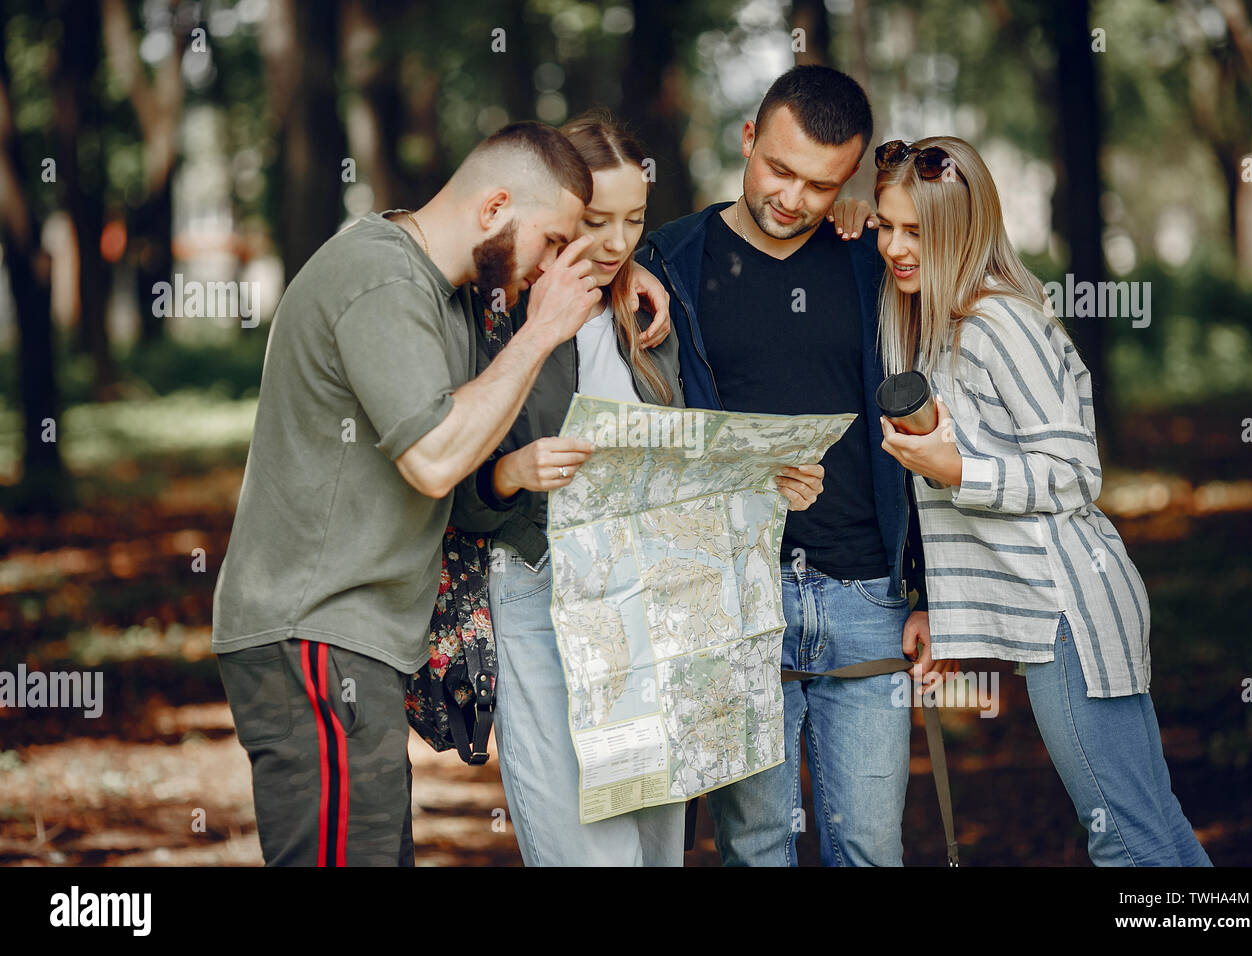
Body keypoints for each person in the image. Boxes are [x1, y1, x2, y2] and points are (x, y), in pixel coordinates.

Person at [212, 120, 672, 866]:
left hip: (354, 644)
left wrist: (626, 274)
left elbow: (549, 168)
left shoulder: (451, 288)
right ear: (494, 211)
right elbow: (433, 460)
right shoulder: (382, 276)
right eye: (557, 242)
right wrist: (542, 332)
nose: (564, 268)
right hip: (314, 633)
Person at [452, 110, 827, 866]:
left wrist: (763, 479)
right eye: (596, 220)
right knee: (580, 846)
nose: (618, 241)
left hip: (652, 593)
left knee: (656, 848)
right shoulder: (492, 309)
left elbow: (686, 451)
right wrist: (508, 473)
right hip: (539, 583)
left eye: (635, 220)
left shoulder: (646, 310)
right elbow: (445, 473)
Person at [851, 133, 1211, 866]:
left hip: (1072, 611)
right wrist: (941, 614)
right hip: (1057, 611)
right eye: (886, 226)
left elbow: (1075, 473)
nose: (894, 246)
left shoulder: (996, 324)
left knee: (1123, 836)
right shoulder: (939, 328)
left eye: (916, 230)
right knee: (1153, 825)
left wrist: (958, 471)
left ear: (960, 228)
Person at [636, 65, 930, 867]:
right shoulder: (669, 261)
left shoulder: (875, 261)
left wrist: (931, 590)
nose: (796, 200)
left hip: (868, 592)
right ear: (746, 139)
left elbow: (927, 429)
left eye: (823, 184)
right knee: (757, 846)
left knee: (870, 845)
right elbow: (639, 434)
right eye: (780, 169)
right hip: (736, 593)